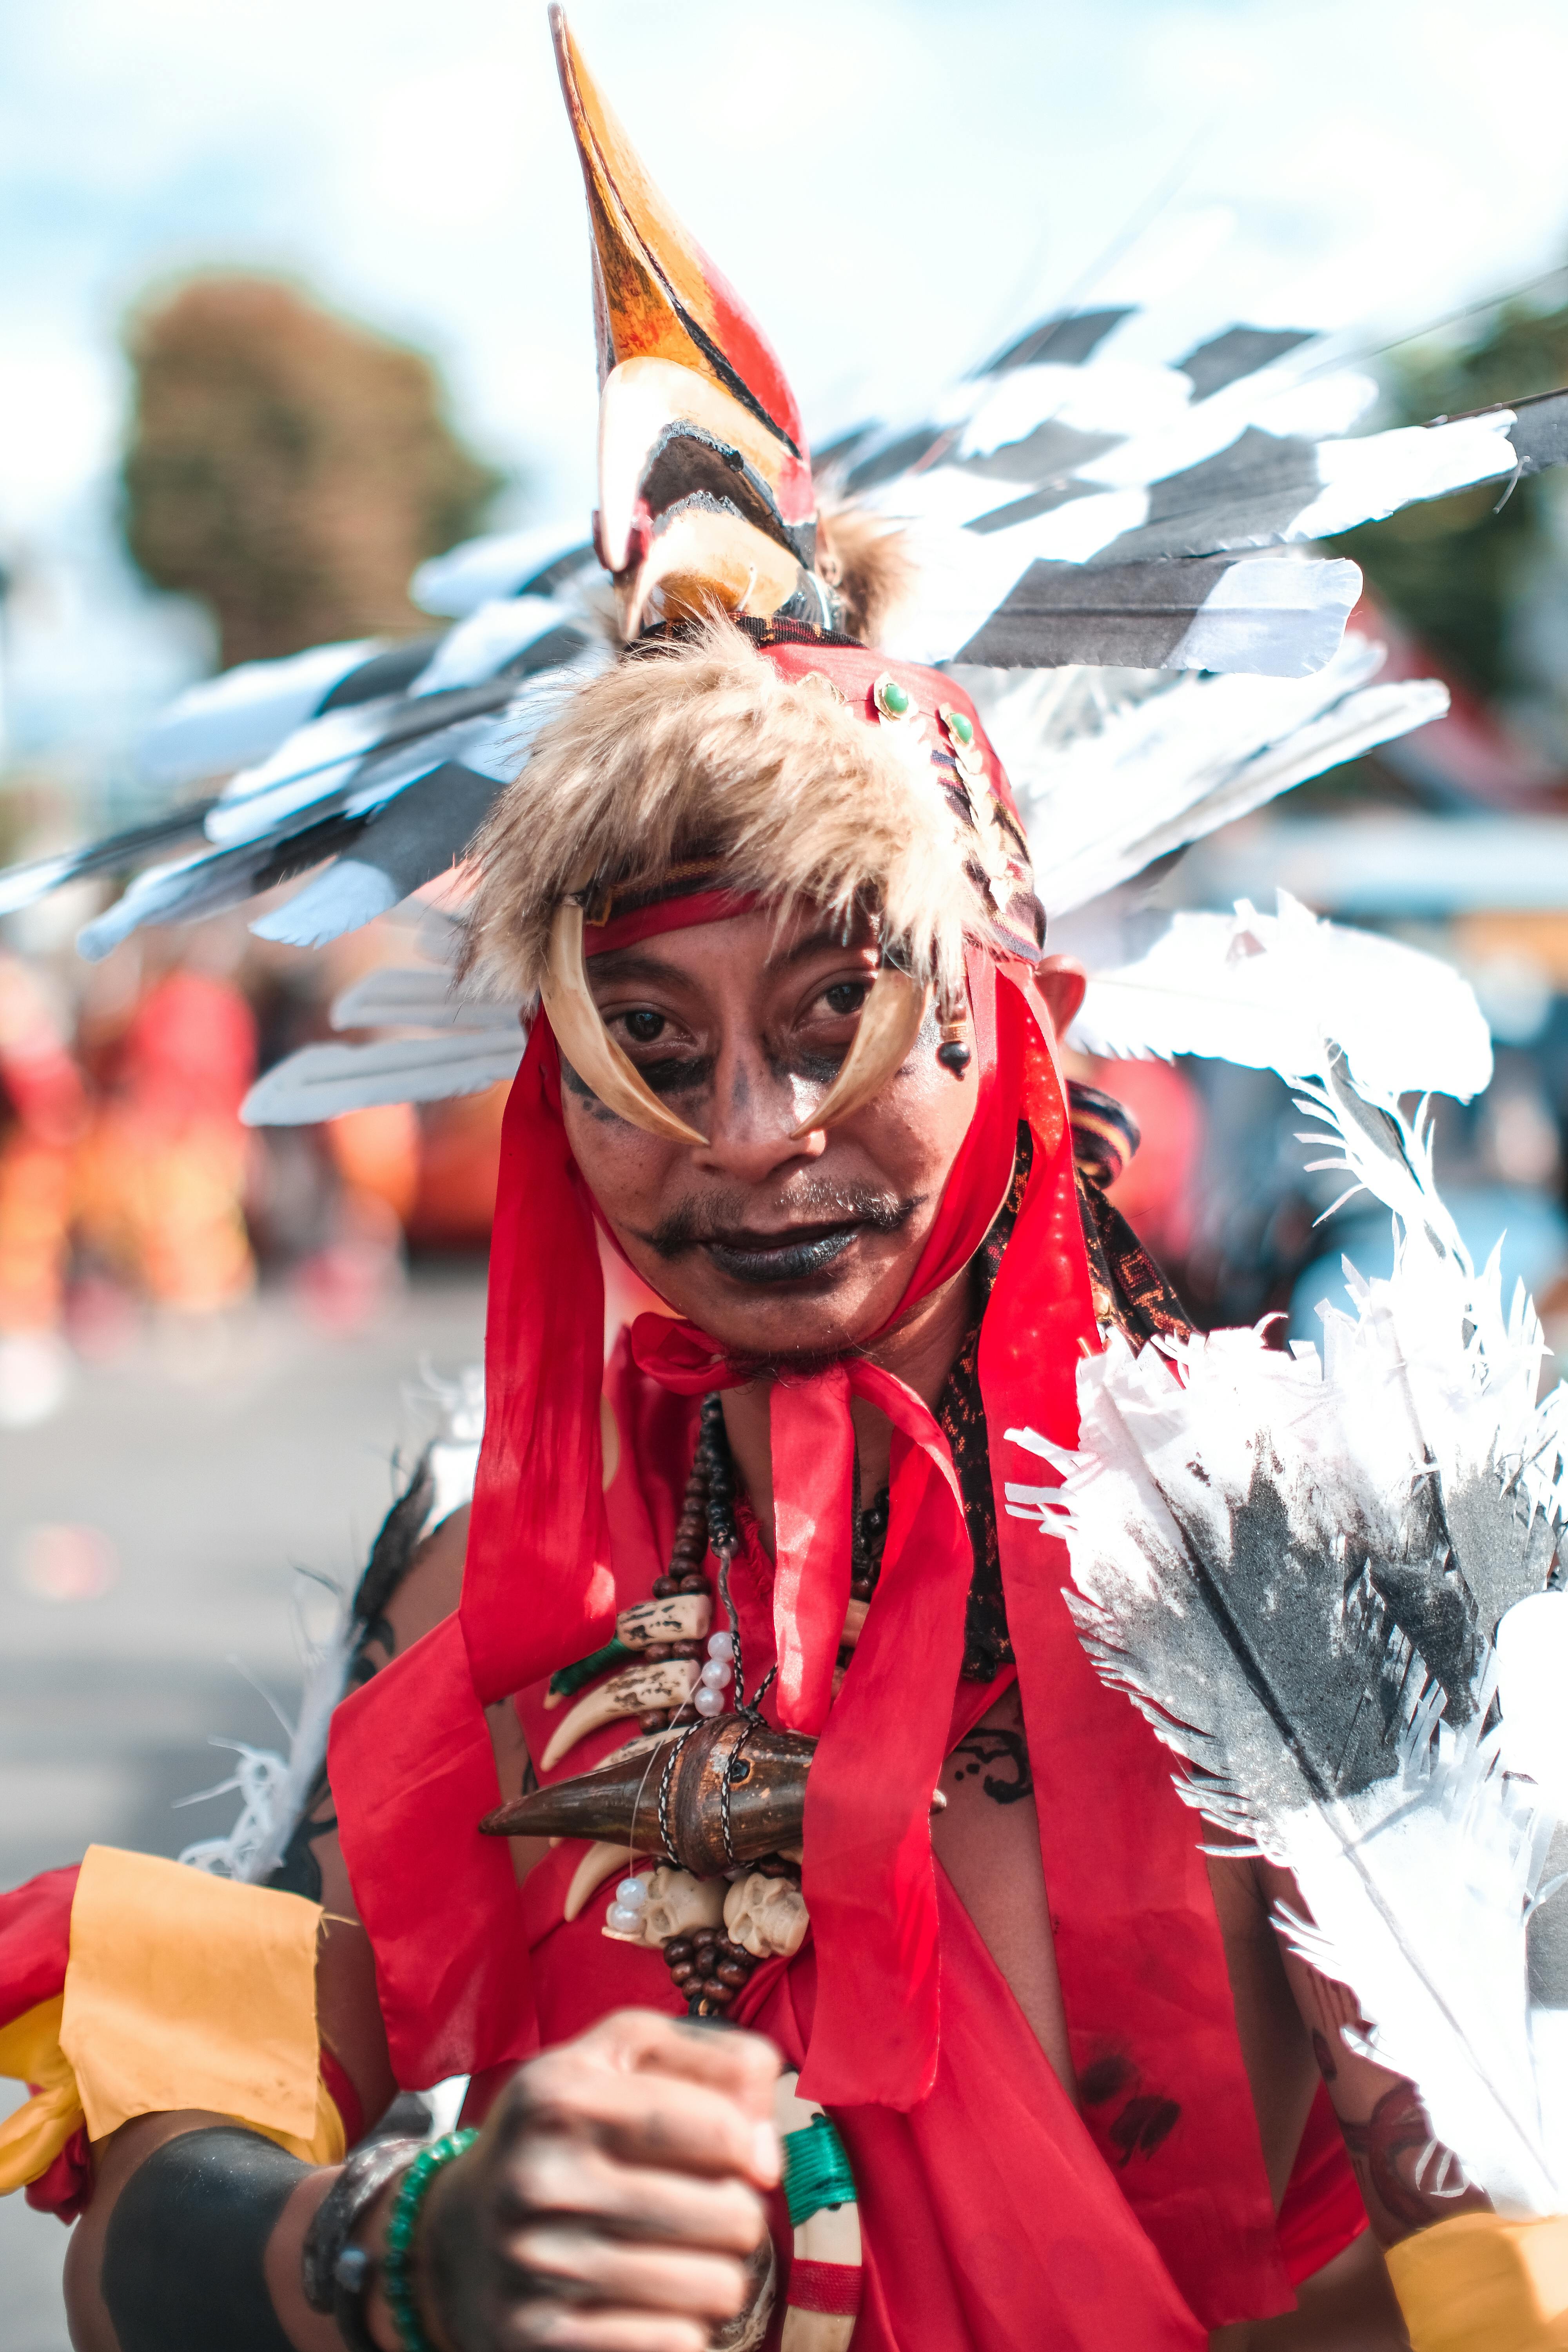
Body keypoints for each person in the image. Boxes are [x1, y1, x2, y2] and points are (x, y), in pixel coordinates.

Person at [2, 13, 1562, 2351]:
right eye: (652, 1045)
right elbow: (163, 2204)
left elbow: (1509, 2266)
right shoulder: (504, 1557)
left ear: (1000, 1008)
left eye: (833, 1015)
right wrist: (400, 2247)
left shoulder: (1295, 1537)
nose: (750, 1141)